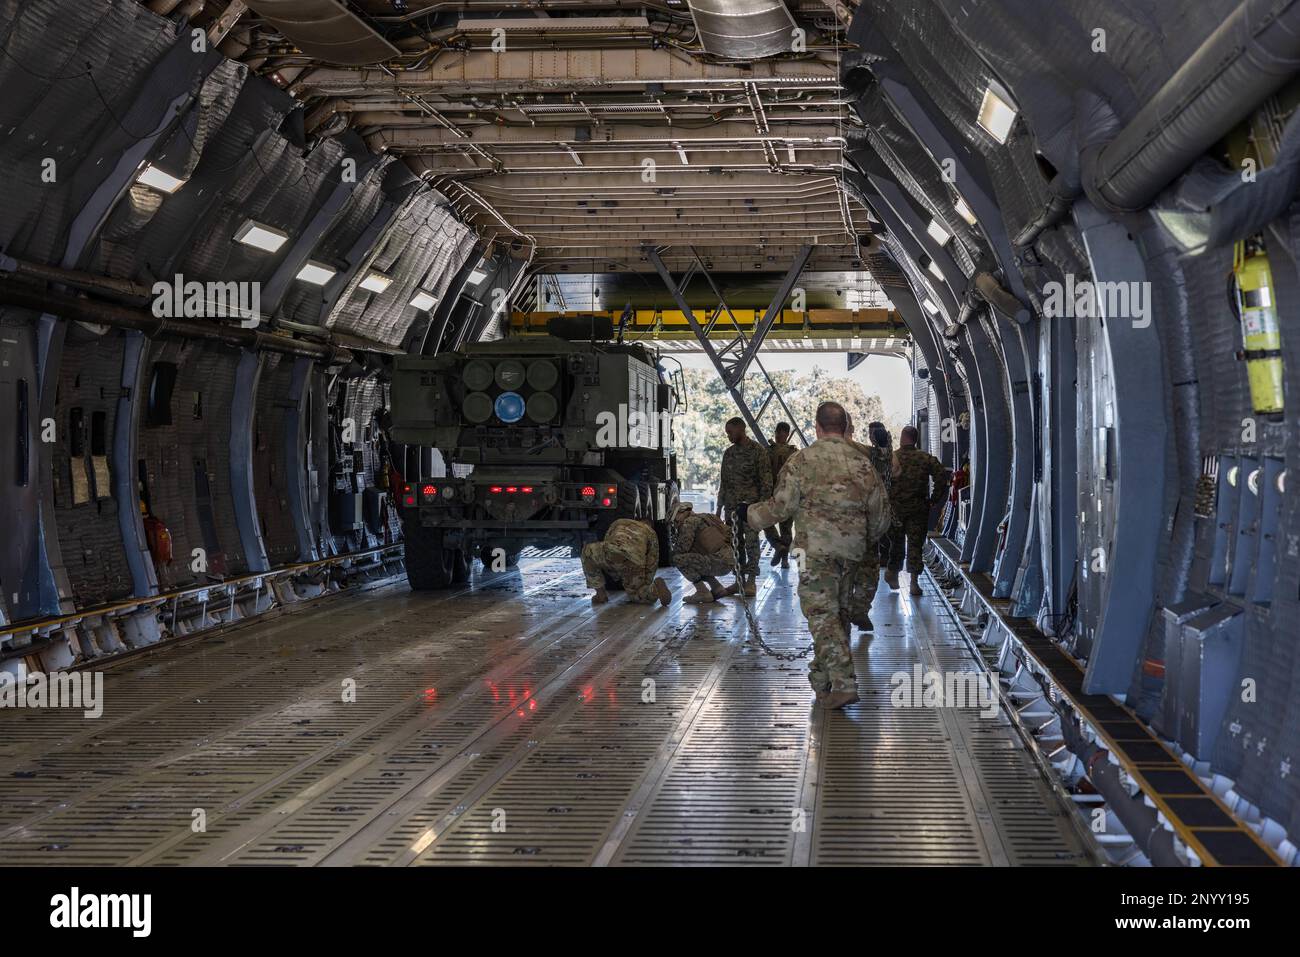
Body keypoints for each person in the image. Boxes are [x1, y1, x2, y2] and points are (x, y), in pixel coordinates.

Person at [746, 401, 891, 709]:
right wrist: (862, 540)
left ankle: (843, 683)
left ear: (818, 426)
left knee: (821, 615)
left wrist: (750, 517)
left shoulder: (802, 461)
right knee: (836, 614)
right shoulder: (864, 463)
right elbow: (881, 517)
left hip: (813, 553)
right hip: (852, 551)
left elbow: (780, 506)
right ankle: (822, 680)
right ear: (844, 426)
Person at [884, 425, 950, 597]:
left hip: (895, 509)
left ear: (901, 438)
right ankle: (914, 583)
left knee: (896, 543)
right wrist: (934, 499)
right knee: (915, 546)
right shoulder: (925, 458)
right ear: (916, 439)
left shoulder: (892, 458)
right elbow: (942, 476)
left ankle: (893, 573)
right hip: (918, 509)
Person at [843, 415, 894, 632]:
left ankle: (853, 612)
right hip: (853, 524)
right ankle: (852, 611)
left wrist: (884, 447)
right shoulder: (861, 452)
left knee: (858, 571)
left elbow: (884, 466)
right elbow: (885, 468)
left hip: (851, 525)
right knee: (861, 571)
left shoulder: (860, 451)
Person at [717, 417, 772, 595]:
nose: (729, 436)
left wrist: (763, 506)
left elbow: (766, 481)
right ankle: (738, 580)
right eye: (727, 433)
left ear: (741, 429)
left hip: (750, 508)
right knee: (735, 545)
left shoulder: (757, 451)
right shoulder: (729, 454)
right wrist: (719, 508)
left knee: (751, 543)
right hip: (731, 509)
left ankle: (751, 581)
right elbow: (723, 483)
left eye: (730, 432)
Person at [582, 518, 672, 607]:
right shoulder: (651, 532)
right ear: (650, 525)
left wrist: (613, 572)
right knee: (638, 596)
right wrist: (646, 582)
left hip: (612, 552)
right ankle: (655, 589)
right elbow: (652, 561)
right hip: (633, 559)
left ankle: (600, 594)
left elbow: (607, 540)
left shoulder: (619, 522)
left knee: (588, 554)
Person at [669, 502, 737, 603]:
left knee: (678, 559)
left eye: (675, 520)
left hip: (718, 562)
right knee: (697, 557)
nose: (676, 523)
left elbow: (681, 549)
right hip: (728, 561)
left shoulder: (689, 522)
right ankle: (717, 588)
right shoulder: (707, 517)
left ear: (681, 512)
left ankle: (702, 592)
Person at [763, 422, 797, 567]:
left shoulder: (768, 451)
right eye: (778, 432)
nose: (778, 435)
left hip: (771, 494)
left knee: (767, 522)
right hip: (786, 495)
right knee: (786, 528)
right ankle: (783, 557)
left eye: (780, 432)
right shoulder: (794, 453)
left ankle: (778, 547)